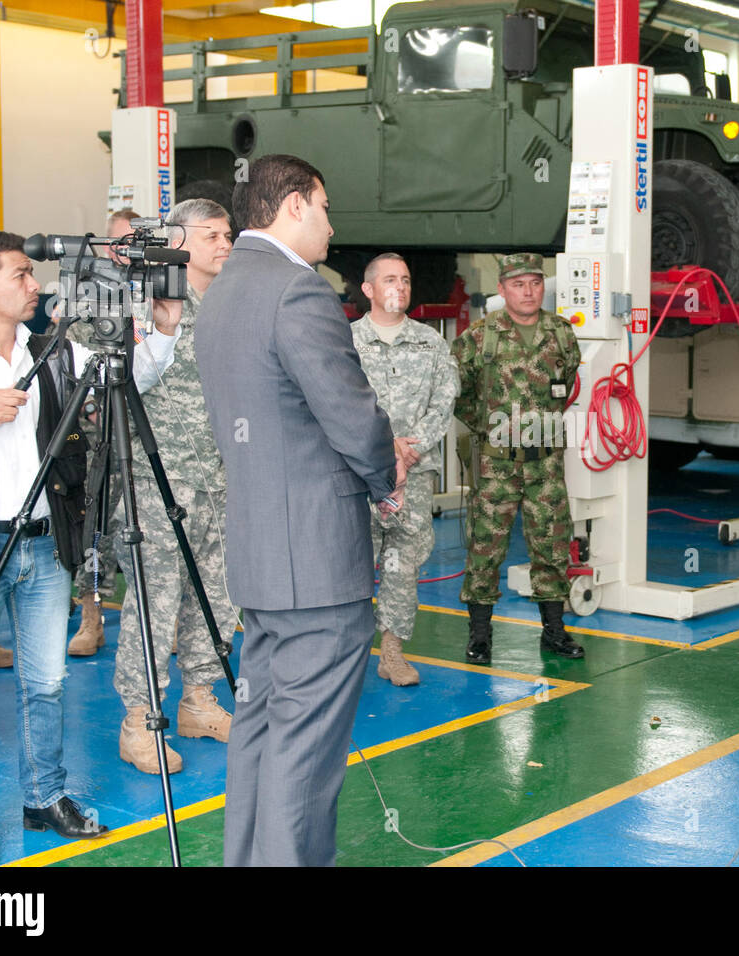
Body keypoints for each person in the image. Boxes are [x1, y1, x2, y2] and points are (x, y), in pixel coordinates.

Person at [0, 230, 181, 867]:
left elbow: (130, 379)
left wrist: (162, 329)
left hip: (46, 546)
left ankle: (45, 795)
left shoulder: (53, 352)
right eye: (21, 275)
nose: (34, 286)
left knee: (46, 684)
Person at [194, 154, 404, 866]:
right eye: (324, 207)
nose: (331, 223)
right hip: (315, 562)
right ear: (291, 206)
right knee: (306, 751)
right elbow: (349, 416)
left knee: (261, 727)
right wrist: (386, 473)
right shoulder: (298, 292)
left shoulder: (223, 289)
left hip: (262, 555)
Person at [113, 198, 239, 774]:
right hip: (158, 479)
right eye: (211, 234)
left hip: (219, 480)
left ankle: (198, 701)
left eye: (228, 233)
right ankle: (140, 721)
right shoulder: (148, 303)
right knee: (154, 604)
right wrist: (163, 327)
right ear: (178, 242)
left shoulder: (231, 304)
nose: (224, 242)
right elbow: (127, 381)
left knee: (215, 599)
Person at [452, 253, 583, 663]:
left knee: (552, 546)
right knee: (485, 547)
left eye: (535, 283)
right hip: (496, 465)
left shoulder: (561, 334)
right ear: (503, 288)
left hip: (545, 463)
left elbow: (566, 384)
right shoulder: (479, 337)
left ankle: (555, 633)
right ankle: (479, 635)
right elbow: (459, 393)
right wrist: (493, 431)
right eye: (518, 284)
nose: (528, 292)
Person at [352, 253, 458, 687]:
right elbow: (334, 403)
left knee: (402, 566)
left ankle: (391, 654)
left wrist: (409, 450)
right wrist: (382, 447)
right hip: (359, 475)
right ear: (369, 289)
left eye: (407, 280)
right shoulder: (345, 341)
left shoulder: (430, 342)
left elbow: (444, 399)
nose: (400, 286)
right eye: (390, 279)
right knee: (352, 565)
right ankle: (347, 654)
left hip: (413, 476)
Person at [64, 209, 138, 657]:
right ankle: (91, 618)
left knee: (148, 530)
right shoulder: (86, 304)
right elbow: (74, 367)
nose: (126, 251)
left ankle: (151, 618)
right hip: (96, 439)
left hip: (150, 436)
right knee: (93, 529)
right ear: (107, 248)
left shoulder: (164, 300)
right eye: (120, 242)